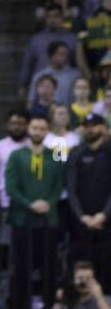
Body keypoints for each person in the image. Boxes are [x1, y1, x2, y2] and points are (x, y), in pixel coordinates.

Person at [4, 115, 62, 309]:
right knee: (21, 265)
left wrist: (49, 203)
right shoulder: (16, 155)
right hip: (22, 219)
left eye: (42, 128)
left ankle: (49, 307)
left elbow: (60, 183)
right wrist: (30, 204)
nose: (38, 131)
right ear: (29, 129)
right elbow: (10, 186)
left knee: (49, 266)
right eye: (35, 127)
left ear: (47, 131)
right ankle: (20, 307)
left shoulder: (56, 154)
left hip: (48, 219)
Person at [65, 114, 111, 280]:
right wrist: (82, 216)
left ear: (103, 128)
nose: (90, 129)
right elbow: (70, 188)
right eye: (87, 125)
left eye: (94, 125)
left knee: (106, 265)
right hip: (80, 223)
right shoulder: (76, 153)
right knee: (80, 262)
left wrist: (103, 215)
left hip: (106, 223)